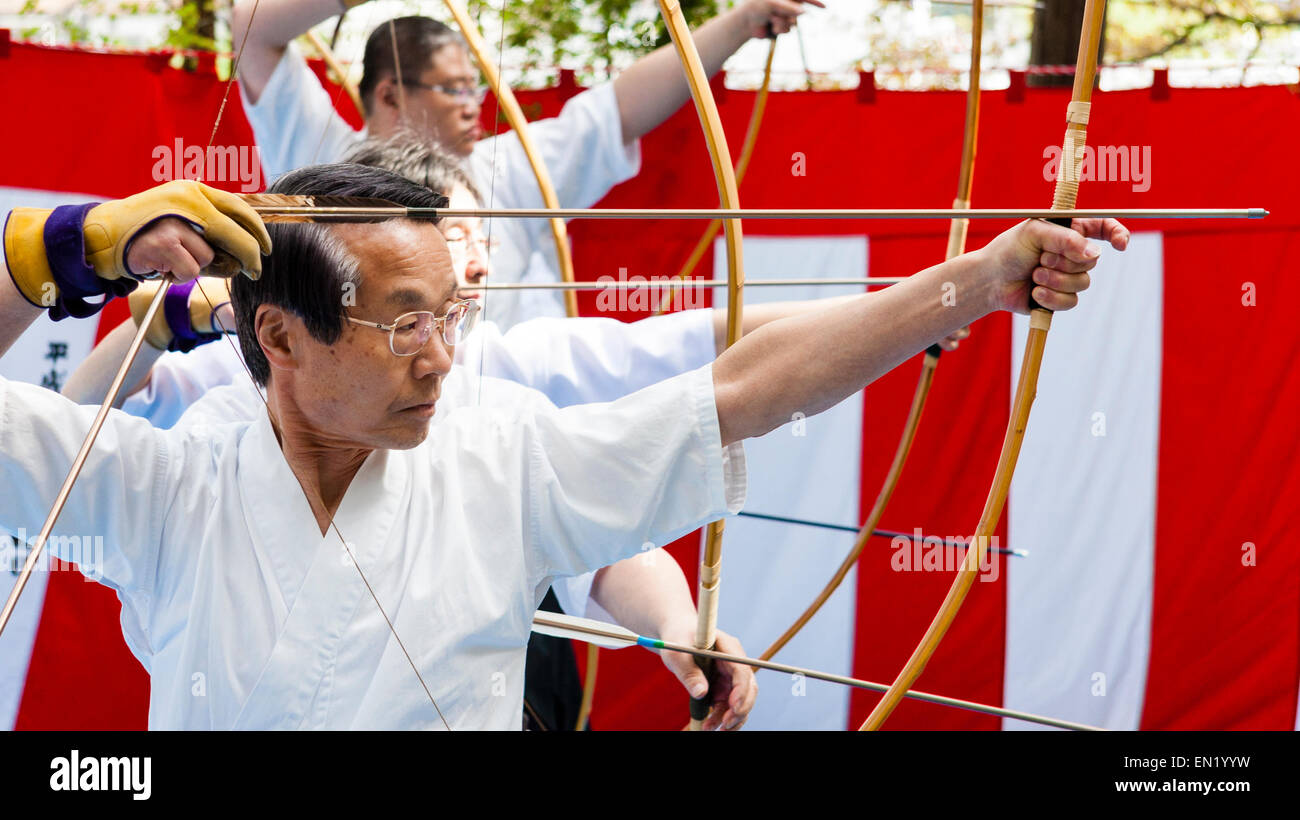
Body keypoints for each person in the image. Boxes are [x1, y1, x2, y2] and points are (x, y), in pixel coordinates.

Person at [0, 172, 1126, 729]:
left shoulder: (505, 456)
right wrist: (55, 250)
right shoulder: (165, 481)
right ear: (280, 338)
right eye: (404, 323)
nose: (439, 358)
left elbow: (737, 385)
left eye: (451, 316)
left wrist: (976, 279)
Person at [229, 0, 821, 327]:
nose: (474, 106)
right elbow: (251, 25)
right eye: (453, 90)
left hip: (505, 424)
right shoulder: (322, 160)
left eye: (476, 88)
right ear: (389, 95)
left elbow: (619, 108)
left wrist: (741, 23)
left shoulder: (505, 167)